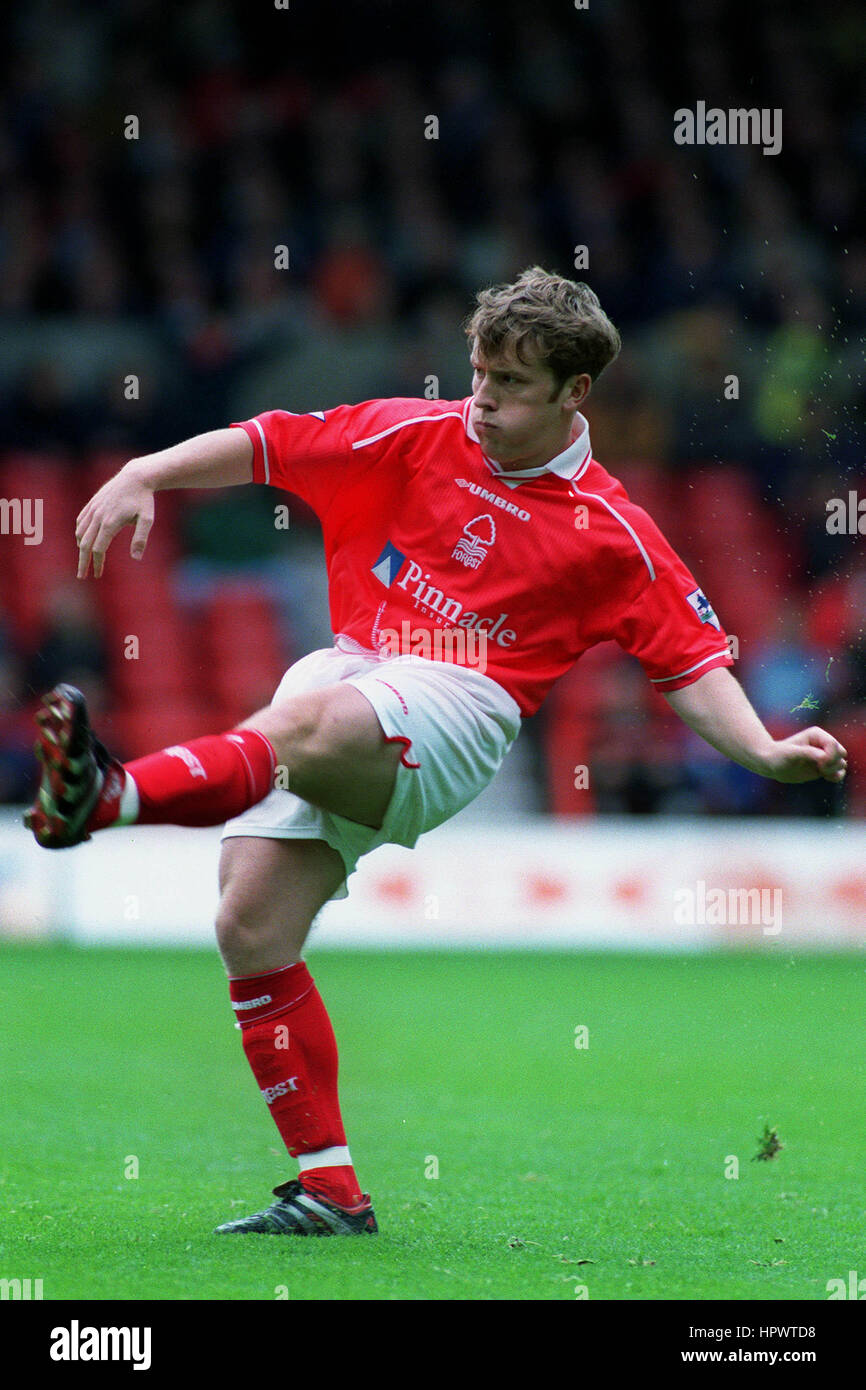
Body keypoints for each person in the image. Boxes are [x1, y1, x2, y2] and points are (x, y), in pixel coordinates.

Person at [25, 267, 847, 1237]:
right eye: (478, 373)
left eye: (509, 385)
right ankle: (330, 1191)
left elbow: (689, 664)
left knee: (305, 724)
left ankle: (105, 798)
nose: (482, 400)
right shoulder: (415, 433)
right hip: (355, 665)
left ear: (573, 393)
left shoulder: (613, 533)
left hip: (464, 703)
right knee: (250, 924)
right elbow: (267, 443)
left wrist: (761, 748)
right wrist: (142, 471)